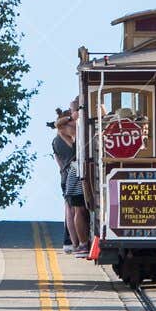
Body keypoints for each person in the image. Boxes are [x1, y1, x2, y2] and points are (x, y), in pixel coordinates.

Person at [52, 108, 89, 254]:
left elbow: (59, 163)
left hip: (68, 174)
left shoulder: (57, 140)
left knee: (71, 209)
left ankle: (75, 243)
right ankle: (80, 243)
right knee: (77, 210)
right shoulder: (73, 135)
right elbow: (59, 126)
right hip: (74, 173)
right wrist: (70, 119)